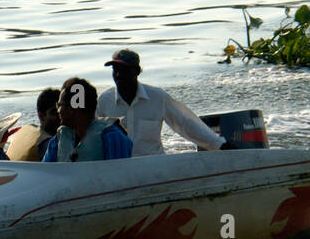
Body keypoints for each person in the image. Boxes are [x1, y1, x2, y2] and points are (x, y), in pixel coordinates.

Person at [96, 48, 232, 155]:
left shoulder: (158, 98)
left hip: (155, 165)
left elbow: (186, 124)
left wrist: (220, 145)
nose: (118, 75)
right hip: (119, 168)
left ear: (137, 71)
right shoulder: (104, 100)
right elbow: (90, 134)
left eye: (124, 70)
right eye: (115, 70)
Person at [42, 77, 133, 162]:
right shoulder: (58, 140)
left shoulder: (113, 137)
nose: (58, 110)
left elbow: (119, 175)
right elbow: (44, 173)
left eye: (59, 105)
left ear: (73, 109)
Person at [34, 87, 61, 161]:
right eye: (55, 113)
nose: (61, 116)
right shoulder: (47, 145)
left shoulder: (31, 130)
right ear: (42, 117)